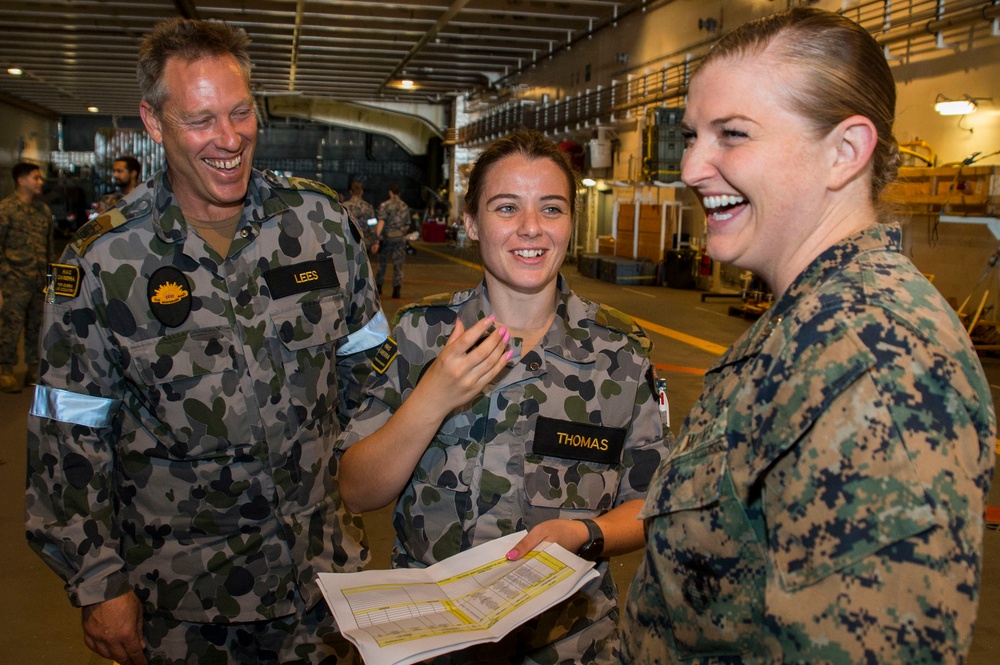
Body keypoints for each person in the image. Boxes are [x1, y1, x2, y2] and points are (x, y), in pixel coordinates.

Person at [621, 8, 996, 664]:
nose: (691, 167)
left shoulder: (874, 363)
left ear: (845, 152)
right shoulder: (804, 322)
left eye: (732, 134)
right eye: (692, 135)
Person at [25, 17, 387, 665]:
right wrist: (98, 581)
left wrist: (370, 477)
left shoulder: (320, 222)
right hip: (187, 600)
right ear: (154, 123)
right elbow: (68, 435)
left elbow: (372, 367)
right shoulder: (104, 259)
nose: (229, 139)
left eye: (241, 112)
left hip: (326, 580)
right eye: (200, 120)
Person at [338, 130, 671, 664]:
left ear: (571, 224)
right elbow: (355, 490)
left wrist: (586, 534)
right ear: (470, 223)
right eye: (507, 207)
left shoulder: (621, 353)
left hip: (567, 645)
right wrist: (432, 398)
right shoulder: (422, 335)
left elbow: (654, 503)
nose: (531, 229)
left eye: (552, 209)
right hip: (431, 645)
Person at [0, 162, 53, 393]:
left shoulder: (43, 211)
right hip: (13, 280)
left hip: (39, 280)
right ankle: (5, 370)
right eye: (35, 178)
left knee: (37, 326)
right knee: (11, 327)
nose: (40, 182)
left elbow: (49, 246)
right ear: (21, 180)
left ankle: (33, 368)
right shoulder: (6, 210)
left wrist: (51, 278)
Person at [372, 182, 411, 299]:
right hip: (399, 239)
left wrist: (377, 238)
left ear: (390, 192)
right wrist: (401, 231)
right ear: (399, 193)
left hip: (387, 239)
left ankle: (379, 287)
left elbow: (381, 222)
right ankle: (396, 290)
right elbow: (408, 224)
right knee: (398, 265)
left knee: (382, 263)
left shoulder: (385, 205)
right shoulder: (405, 206)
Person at [342, 180, 376, 250]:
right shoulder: (368, 207)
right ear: (362, 192)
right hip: (364, 242)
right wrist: (375, 242)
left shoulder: (344, 206)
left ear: (351, 191)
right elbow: (372, 226)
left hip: (348, 241)